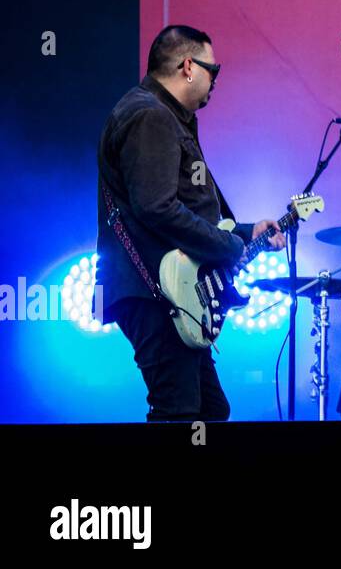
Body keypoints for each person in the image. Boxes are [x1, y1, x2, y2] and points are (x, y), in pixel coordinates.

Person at [98, 24, 285, 421]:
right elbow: (155, 207)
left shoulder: (165, 115)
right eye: (212, 70)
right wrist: (229, 247)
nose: (215, 80)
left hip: (171, 292)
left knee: (209, 412)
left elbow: (181, 206)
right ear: (188, 66)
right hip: (155, 291)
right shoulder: (149, 116)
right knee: (178, 413)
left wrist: (243, 230)